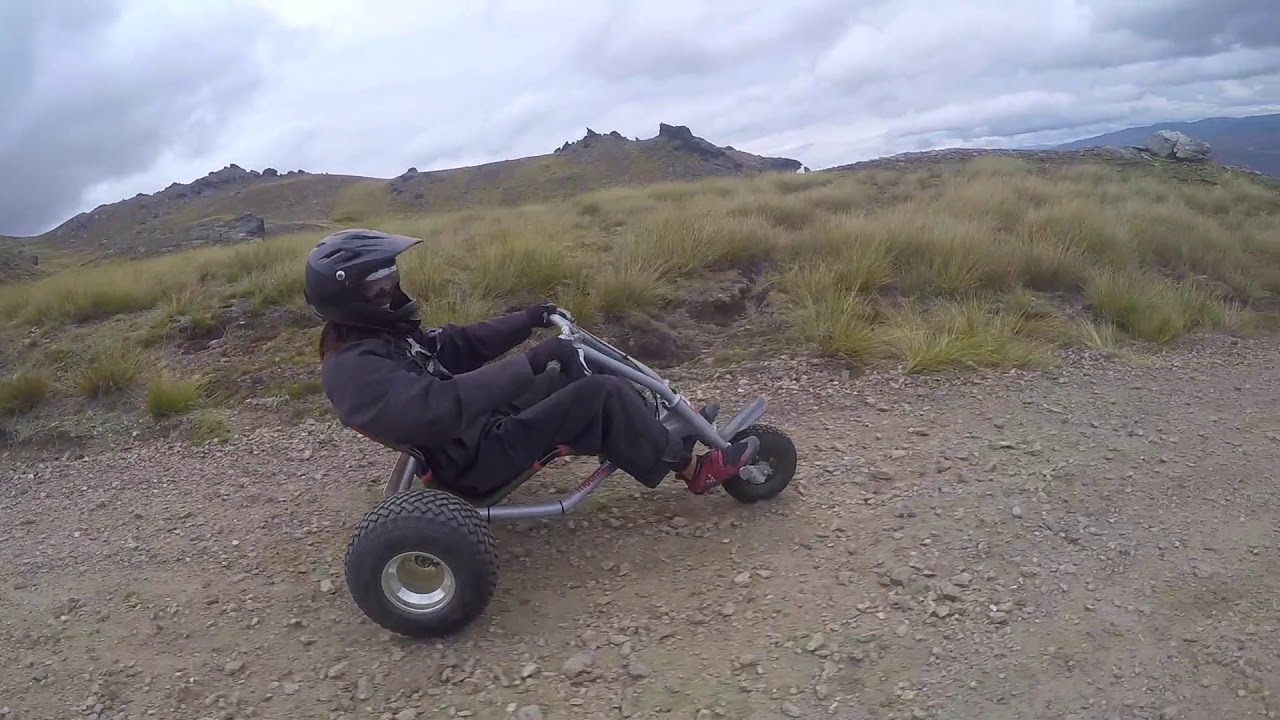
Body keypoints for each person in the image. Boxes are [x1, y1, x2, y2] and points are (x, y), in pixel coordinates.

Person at [303, 228, 759, 497]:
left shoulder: (375, 337)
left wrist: (529, 320)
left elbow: (454, 345)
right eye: (377, 288)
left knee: (574, 360)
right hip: (473, 461)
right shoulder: (356, 369)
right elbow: (439, 406)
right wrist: (531, 361)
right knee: (598, 392)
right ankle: (694, 471)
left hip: (474, 434)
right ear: (346, 299)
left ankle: (647, 430)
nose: (391, 291)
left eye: (391, 280)